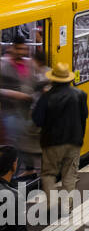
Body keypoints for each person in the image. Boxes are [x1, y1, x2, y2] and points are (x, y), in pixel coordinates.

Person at [32, 62, 88, 211]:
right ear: (69, 79)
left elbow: (37, 119)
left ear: (53, 79)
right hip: (74, 140)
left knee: (49, 173)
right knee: (70, 174)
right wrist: (80, 136)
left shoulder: (46, 97)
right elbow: (84, 116)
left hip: (51, 142)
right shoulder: (80, 94)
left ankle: (51, 203)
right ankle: (66, 206)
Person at [0, 37, 43, 182]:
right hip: (10, 111)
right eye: (19, 49)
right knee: (15, 142)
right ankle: (11, 175)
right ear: (12, 48)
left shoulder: (29, 64)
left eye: (24, 49)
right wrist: (12, 94)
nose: (22, 52)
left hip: (27, 110)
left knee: (26, 139)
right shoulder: (3, 65)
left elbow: (36, 81)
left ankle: (28, 169)